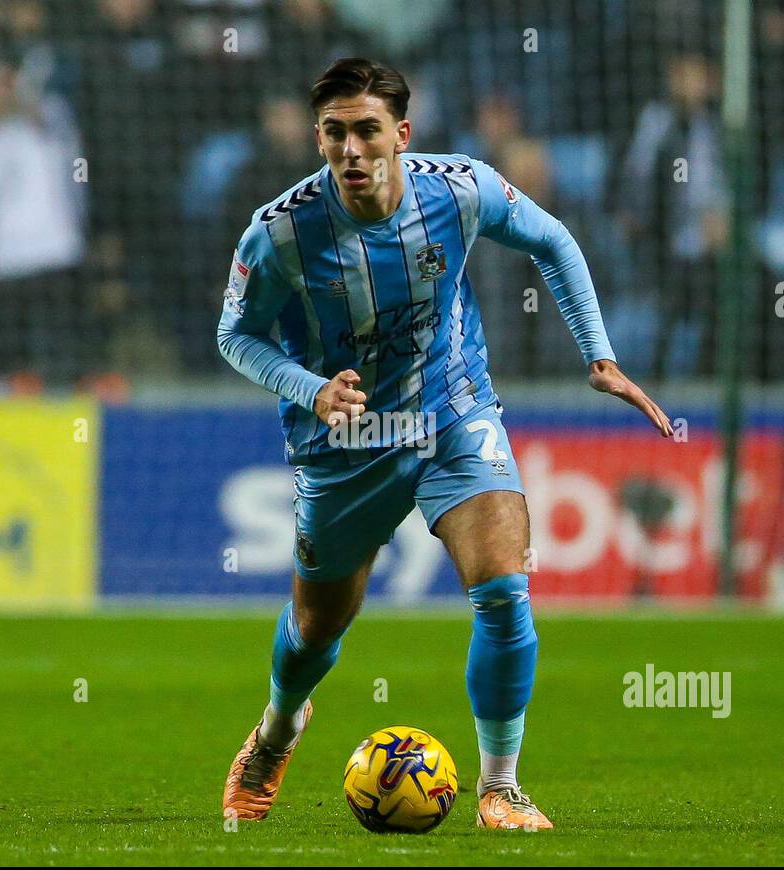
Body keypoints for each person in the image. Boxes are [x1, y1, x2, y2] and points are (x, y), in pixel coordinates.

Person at [216, 59, 671, 831]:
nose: (351, 150)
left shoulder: (458, 189)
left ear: (402, 132)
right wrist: (311, 389)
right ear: (318, 137)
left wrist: (598, 353)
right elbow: (237, 334)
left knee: (503, 591)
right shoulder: (280, 231)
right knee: (317, 629)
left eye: (366, 130)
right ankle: (277, 732)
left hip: (453, 413)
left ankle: (501, 786)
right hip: (346, 442)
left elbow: (553, 240)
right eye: (334, 132)